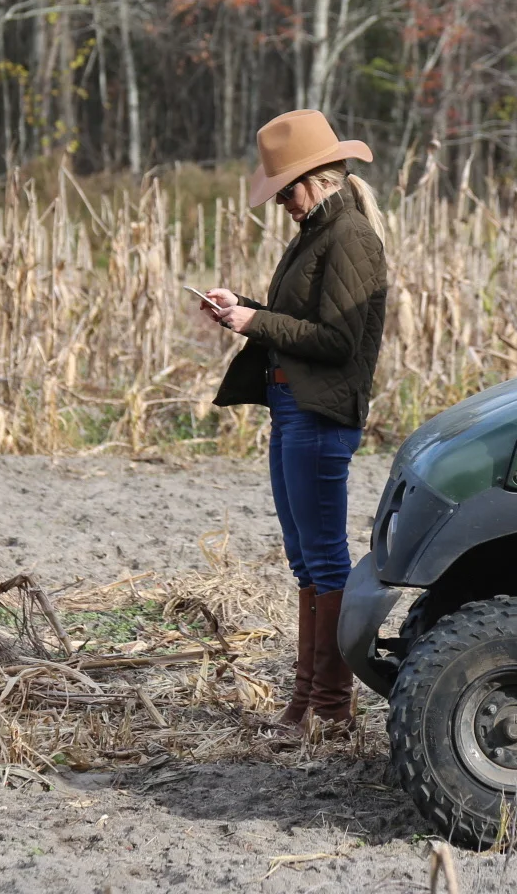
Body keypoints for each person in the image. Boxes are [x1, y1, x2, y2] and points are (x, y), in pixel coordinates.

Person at [199, 109, 389, 732]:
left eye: (285, 191)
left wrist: (255, 322)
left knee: (325, 560)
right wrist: (243, 307)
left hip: (319, 413)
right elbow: (303, 323)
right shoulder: (317, 231)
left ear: (317, 179)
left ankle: (332, 709)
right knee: (305, 559)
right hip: (292, 409)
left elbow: (337, 341)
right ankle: (307, 702)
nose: (281, 203)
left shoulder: (349, 237)